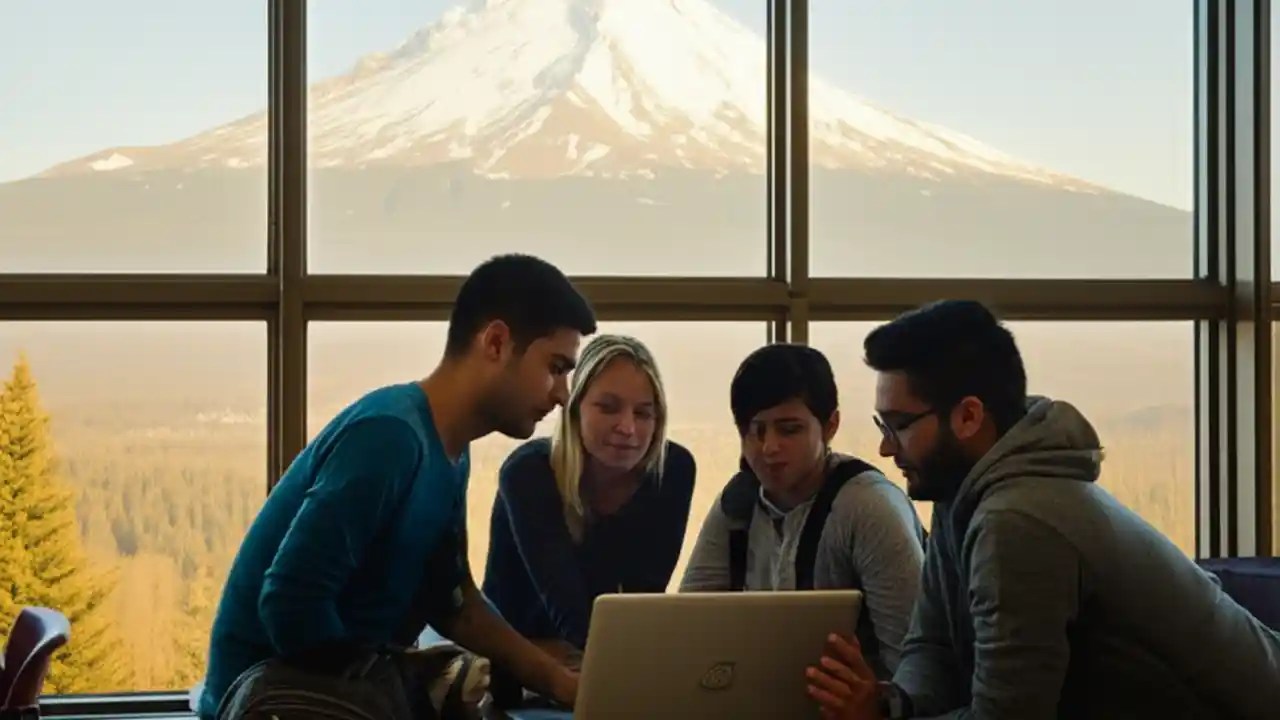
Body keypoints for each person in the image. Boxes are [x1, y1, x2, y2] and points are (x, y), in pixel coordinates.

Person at [806, 299, 1280, 720]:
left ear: (969, 416)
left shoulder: (1018, 520)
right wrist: (893, 704)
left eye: (899, 425)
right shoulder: (964, 492)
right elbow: (933, 646)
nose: (886, 448)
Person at [197, 253, 597, 720]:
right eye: (555, 366)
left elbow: (455, 603)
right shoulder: (389, 437)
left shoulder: (448, 449)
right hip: (279, 703)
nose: (563, 392)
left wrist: (562, 684)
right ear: (496, 342)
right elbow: (290, 601)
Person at [681, 343, 926, 679]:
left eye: (789, 429)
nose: (769, 447)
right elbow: (684, 633)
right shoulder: (737, 504)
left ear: (830, 426)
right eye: (756, 430)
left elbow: (918, 668)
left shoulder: (868, 507)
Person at [481, 334, 696, 696]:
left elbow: (641, 602)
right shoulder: (529, 473)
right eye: (608, 407)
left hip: (599, 657)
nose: (627, 428)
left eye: (643, 413)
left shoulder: (672, 470)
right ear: (575, 407)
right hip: (511, 663)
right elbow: (567, 609)